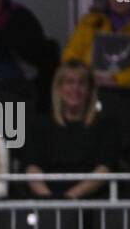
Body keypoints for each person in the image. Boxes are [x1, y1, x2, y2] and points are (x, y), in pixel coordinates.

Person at [22, 62, 112, 200]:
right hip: (47, 201)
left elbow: (104, 169)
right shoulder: (40, 125)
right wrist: (50, 200)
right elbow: (32, 167)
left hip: (91, 201)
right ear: (58, 88)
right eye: (69, 82)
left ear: (89, 90)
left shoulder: (105, 125)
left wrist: (71, 197)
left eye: (82, 83)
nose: (75, 88)